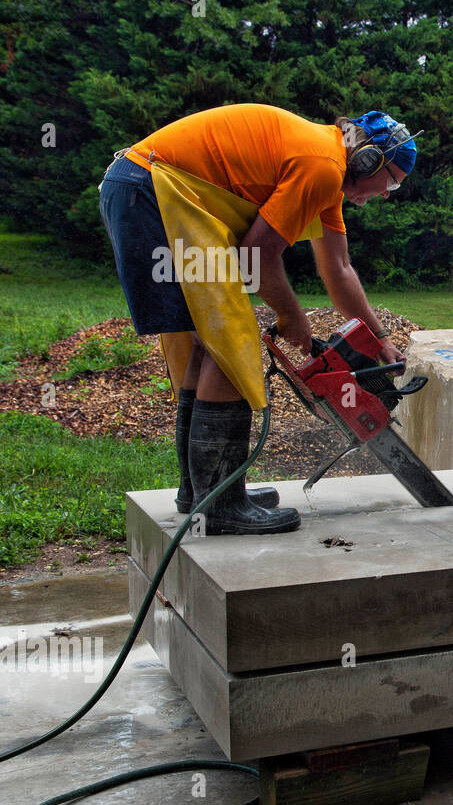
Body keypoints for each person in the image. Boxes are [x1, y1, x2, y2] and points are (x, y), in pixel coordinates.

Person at [98, 103, 416, 534]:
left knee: (207, 343)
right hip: (154, 193)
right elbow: (256, 255)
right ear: (369, 159)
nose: (386, 194)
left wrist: (379, 338)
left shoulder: (327, 170)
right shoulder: (322, 165)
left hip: (143, 188)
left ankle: (202, 494)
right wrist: (291, 315)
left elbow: (339, 269)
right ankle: (221, 505)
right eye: (391, 183)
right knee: (230, 341)